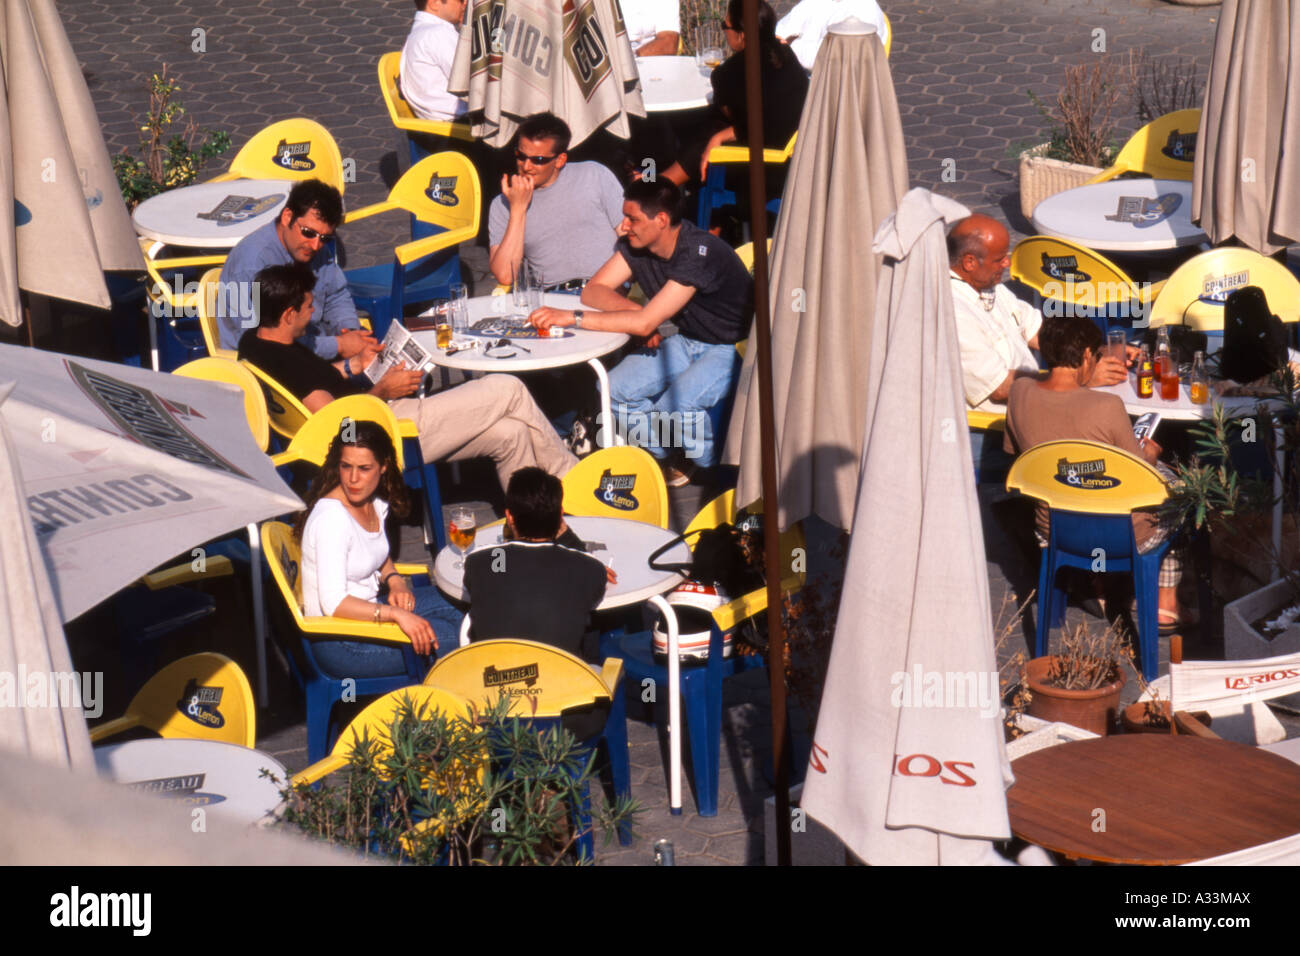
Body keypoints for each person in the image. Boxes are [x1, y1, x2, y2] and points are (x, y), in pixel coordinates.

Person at [237, 263, 577, 489]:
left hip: (371, 416)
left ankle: (533, 526)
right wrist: (384, 390)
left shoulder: (255, 344)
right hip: (383, 431)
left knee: (512, 433)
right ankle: (573, 481)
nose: (313, 315)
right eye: (308, 307)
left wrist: (353, 366)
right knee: (508, 388)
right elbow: (336, 426)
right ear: (287, 314)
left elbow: (312, 386)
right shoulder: (287, 360)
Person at [529, 179, 751, 485]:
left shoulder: (697, 254)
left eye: (632, 219)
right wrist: (637, 315)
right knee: (614, 388)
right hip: (689, 339)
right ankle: (660, 454)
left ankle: (713, 464)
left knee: (675, 406)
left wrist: (573, 318)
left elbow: (624, 318)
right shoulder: (638, 246)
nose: (623, 226)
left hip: (735, 347)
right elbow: (593, 291)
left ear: (661, 220)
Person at [1003, 314, 1192, 633]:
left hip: (1054, 529)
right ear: (1088, 356)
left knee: (1089, 484)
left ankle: (1100, 584)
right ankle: (1165, 603)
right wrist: (1151, 452)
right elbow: (1140, 473)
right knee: (1182, 494)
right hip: (1121, 536)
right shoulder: (1106, 407)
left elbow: (1019, 454)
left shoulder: (1020, 392)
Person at [948, 214, 1129, 475]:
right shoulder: (952, 312)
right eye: (1000, 258)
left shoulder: (987, 285)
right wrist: (1078, 376)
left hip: (1031, 409)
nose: (1008, 264)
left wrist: (1092, 351)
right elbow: (999, 388)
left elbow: (1039, 332)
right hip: (995, 435)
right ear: (969, 262)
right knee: (1105, 449)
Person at [296, 419, 464, 677]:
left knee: (461, 605)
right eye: (346, 466)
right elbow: (333, 603)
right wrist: (396, 615)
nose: (353, 479)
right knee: (459, 634)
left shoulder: (370, 502)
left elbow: (374, 552)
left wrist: (394, 580)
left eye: (364, 468)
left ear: (383, 466)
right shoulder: (332, 520)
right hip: (343, 642)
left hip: (368, 613)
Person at [462, 467, 613, 660]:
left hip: (492, 683)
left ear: (509, 517)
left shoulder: (478, 563)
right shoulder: (589, 569)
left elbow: (506, 576)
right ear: (561, 516)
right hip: (563, 684)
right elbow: (581, 566)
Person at [218, 179, 375, 362]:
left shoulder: (311, 248)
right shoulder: (252, 264)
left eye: (325, 237)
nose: (316, 245)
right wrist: (339, 345)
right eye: (308, 233)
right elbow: (266, 342)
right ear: (287, 217)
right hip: (270, 360)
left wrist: (349, 331)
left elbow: (335, 295)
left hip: (313, 341)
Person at [661, 0, 808, 186]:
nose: (724, 31)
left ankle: (657, 187)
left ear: (742, 35)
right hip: (794, 155)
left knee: (707, 131)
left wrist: (720, 136)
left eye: (725, 26)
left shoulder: (727, 74)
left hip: (761, 166)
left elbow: (739, 121)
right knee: (710, 130)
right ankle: (658, 179)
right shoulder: (785, 53)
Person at [487, 113, 625, 289]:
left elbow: (631, 238)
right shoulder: (502, 203)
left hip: (609, 287)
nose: (526, 166)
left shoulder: (594, 174)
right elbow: (506, 275)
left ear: (560, 160)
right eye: (520, 156)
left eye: (538, 160)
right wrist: (518, 210)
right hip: (554, 300)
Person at [400, 0, 469, 122]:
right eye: (460, 0)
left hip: (434, 119)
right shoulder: (438, 35)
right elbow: (473, 83)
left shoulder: (421, 31)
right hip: (456, 125)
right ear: (434, 3)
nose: (466, 4)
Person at [776, 0, 889, 71]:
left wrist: (786, 46)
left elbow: (824, 58)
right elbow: (783, 27)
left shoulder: (863, 11)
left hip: (834, 87)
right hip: (800, 71)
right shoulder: (815, 3)